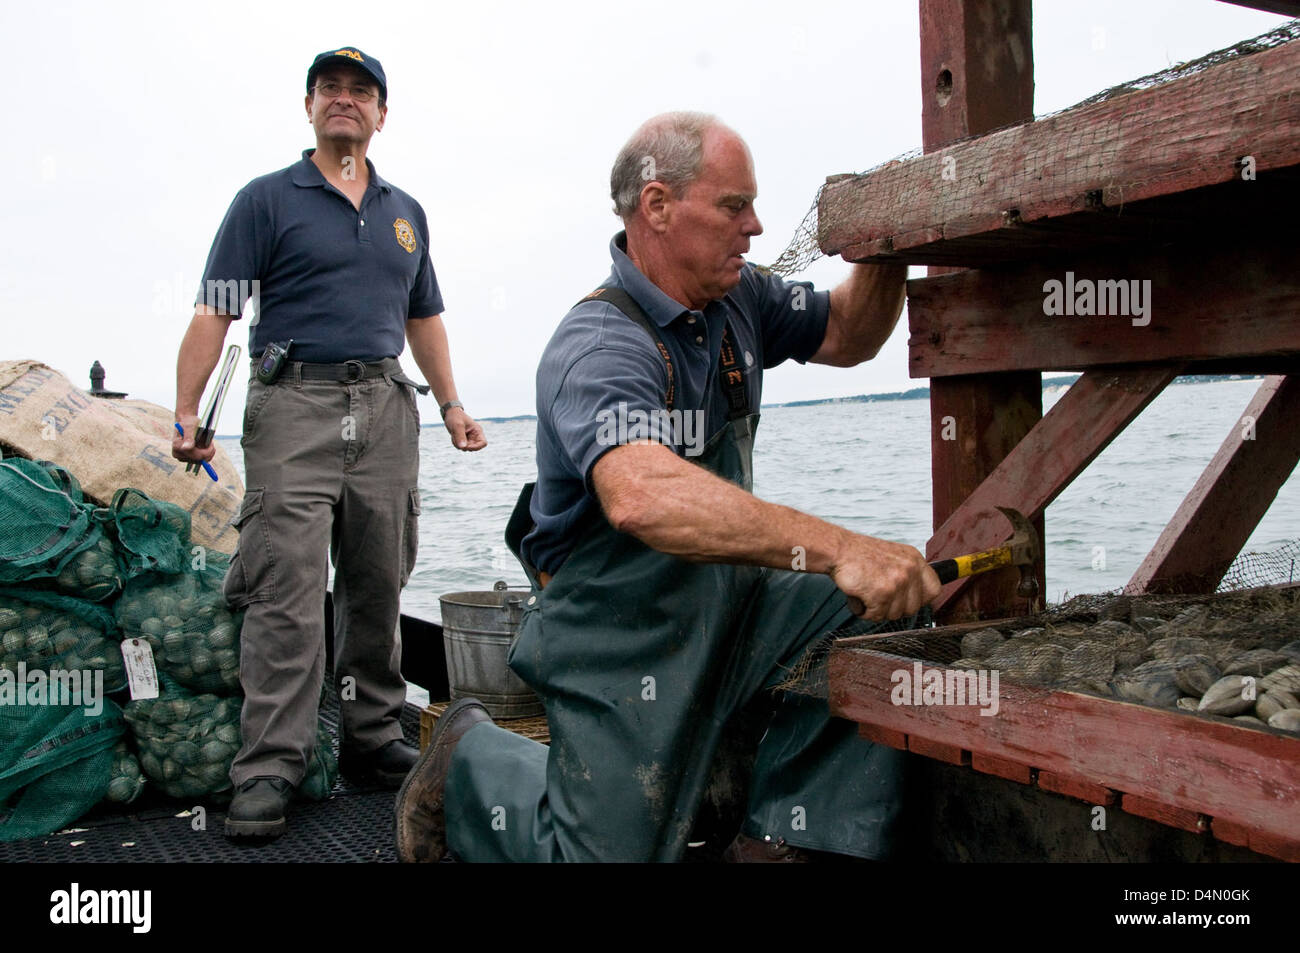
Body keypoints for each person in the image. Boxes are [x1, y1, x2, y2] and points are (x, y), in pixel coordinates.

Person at [395, 111, 940, 863]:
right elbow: (641, 494)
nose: (755, 226)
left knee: (871, 608)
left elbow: (850, 333)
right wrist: (840, 544)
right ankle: (473, 759)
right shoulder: (598, 343)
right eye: (732, 206)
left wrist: (887, 241)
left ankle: (779, 838)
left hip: (730, 599)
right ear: (656, 206)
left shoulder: (742, 299)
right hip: (618, 635)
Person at [173, 46, 486, 840]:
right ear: (309, 106)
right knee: (285, 585)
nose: (345, 101)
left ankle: (375, 733)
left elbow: (424, 317)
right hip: (293, 404)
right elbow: (215, 308)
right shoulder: (266, 200)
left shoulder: (405, 211)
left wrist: (450, 404)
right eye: (330, 89)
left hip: (386, 403)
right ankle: (270, 763)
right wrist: (185, 410)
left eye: (361, 92)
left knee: (379, 575)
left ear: (383, 115)